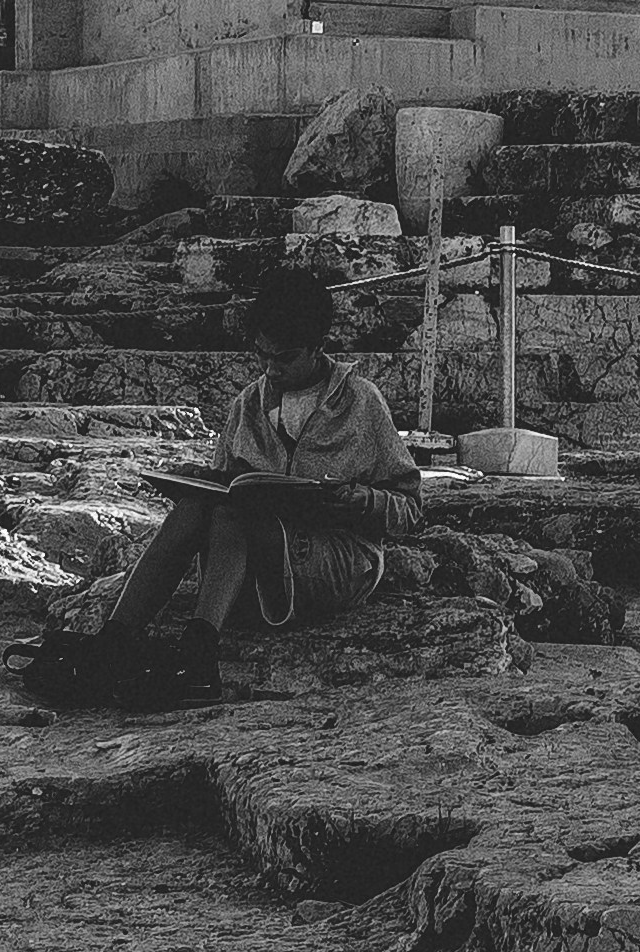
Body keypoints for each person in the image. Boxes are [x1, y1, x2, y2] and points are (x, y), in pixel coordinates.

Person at [25, 267, 428, 707]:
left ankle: (198, 653)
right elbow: (225, 493)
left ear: (319, 348)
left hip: (333, 563)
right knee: (201, 507)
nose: (270, 370)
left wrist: (356, 499)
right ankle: (115, 642)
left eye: (286, 358)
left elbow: (410, 508)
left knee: (234, 513)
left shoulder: (361, 402)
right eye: (262, 356)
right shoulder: (248, 404)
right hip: (253, 569)